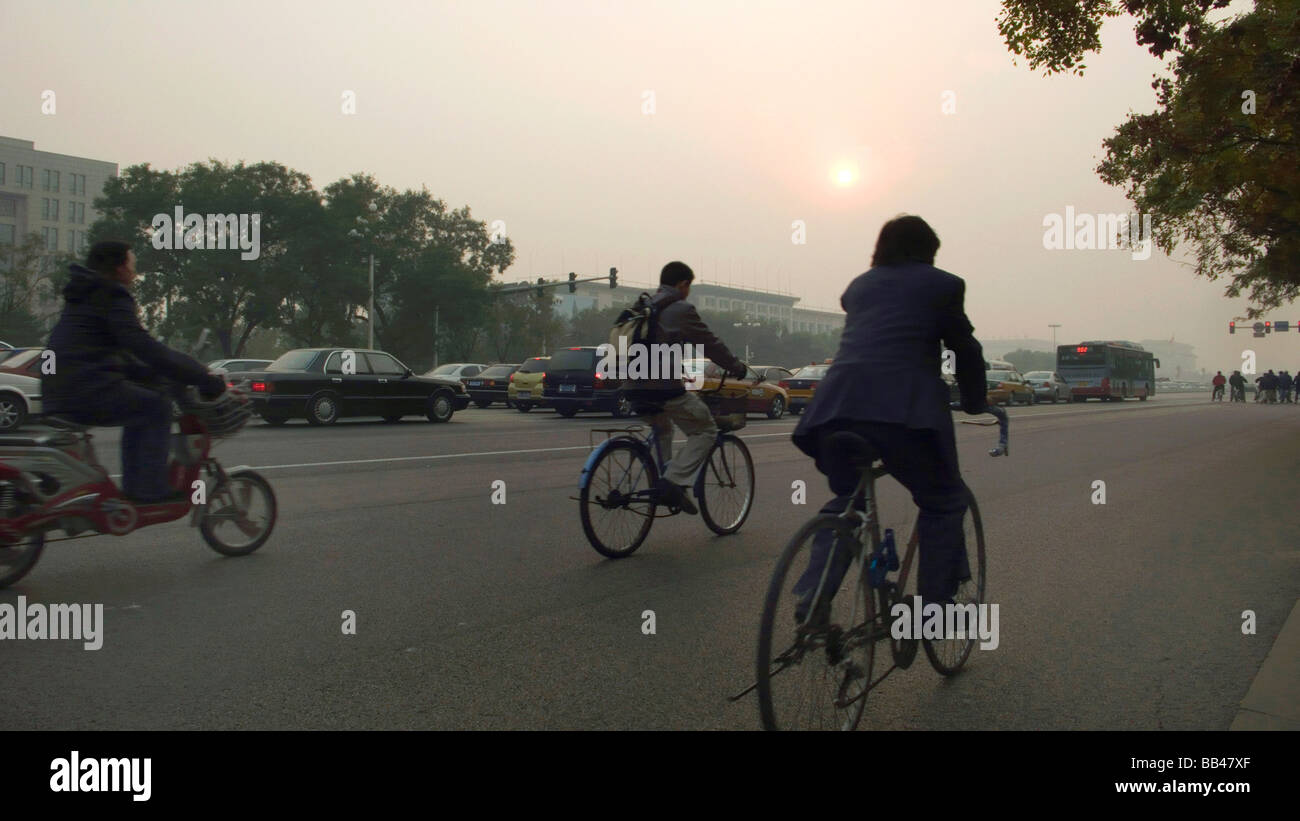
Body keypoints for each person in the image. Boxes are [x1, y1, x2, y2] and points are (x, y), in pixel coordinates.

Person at [791, 215, 986, 612]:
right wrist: (975, 401)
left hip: (833, 411)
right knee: (944, 501)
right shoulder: (943, 285)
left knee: (848, 500)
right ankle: (933, 611)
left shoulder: (859, 287)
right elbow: (966, 350)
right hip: (904, 416)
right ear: (928, 253)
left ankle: (813, 602)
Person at [43, 241, 227, 504]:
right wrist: (201, 376)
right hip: (83, 389)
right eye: (132, 265)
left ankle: (137, 487)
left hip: (63, 388)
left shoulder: (85, 294)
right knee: (157, 408)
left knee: (141, 405)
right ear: (118, 269)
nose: (134, 272)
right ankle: (149, 489)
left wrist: (152, 375)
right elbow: (143, 347)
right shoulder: (112, 295)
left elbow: (118, 355)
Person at [623, 261, 746, 515]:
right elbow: (709, 343)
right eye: (689, 287)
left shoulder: (643, 305)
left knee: (663, 427)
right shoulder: (680, 309)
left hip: (632, 386)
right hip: (663, 388)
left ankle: (665, 483)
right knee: (706, 430)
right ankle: (672, 482)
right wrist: (735, 366)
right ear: (683, 284)